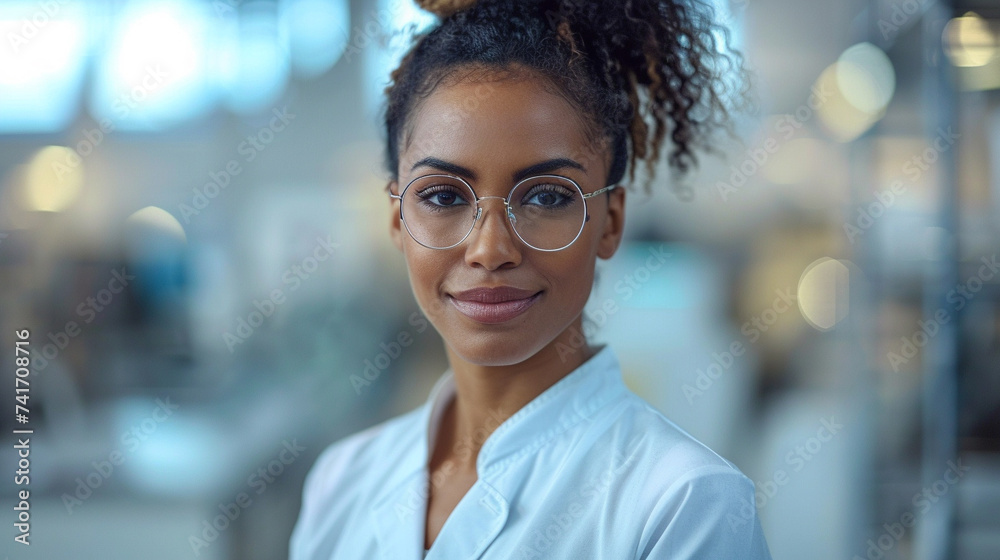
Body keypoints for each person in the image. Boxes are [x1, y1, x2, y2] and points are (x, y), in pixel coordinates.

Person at [290, 0, 771, 558]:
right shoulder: (341, 482)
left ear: (610, 222)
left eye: (546, 196)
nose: (490, 249)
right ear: (398, 218)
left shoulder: (682, 506)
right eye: (443, 196)